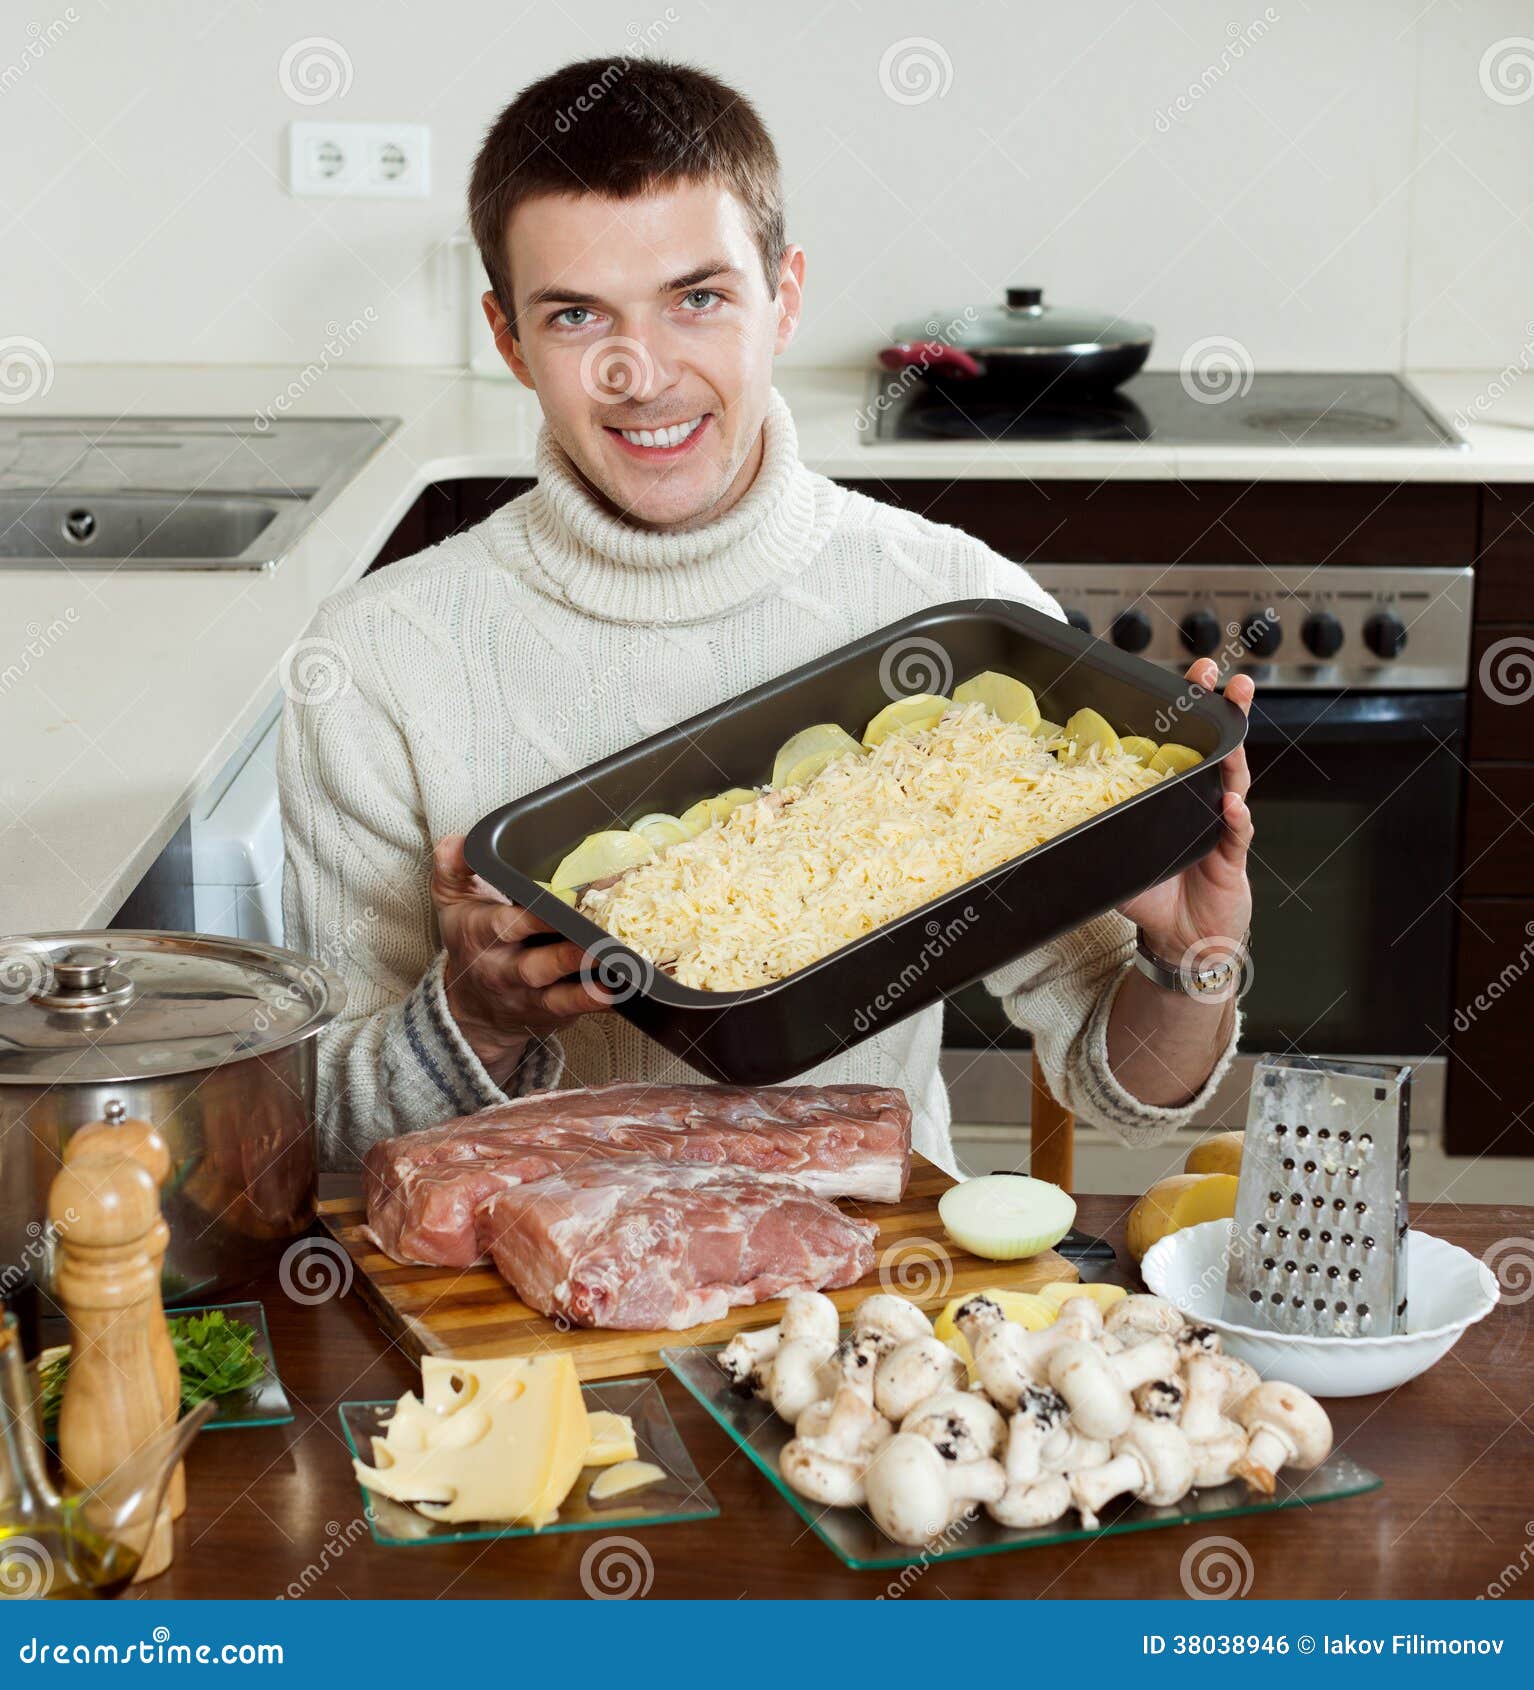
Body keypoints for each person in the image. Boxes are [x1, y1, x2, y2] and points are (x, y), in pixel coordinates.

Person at [279, 58, 1254, 1176]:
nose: (641, 374)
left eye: (699, 298)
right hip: (513, 1310)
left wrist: (1192, 957)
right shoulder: (372, 660)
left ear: (783, 297)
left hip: (865, 1296)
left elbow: (1117, 1089)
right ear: (509, 340)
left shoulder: (948, 611)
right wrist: (476, 1016)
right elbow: (327, 1139)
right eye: (577, 314)